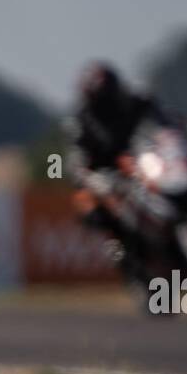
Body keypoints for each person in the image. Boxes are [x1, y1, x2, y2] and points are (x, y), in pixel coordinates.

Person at [64, 62, 167, 279]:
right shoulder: (81, 121)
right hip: (107, 173)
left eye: (110, 96)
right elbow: (77, 159)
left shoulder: (137, 100)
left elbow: (165, 121)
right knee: (91, 207)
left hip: (143, 161)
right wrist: (86, 175)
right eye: (101, 99)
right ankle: (126, 254)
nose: (107, 104)